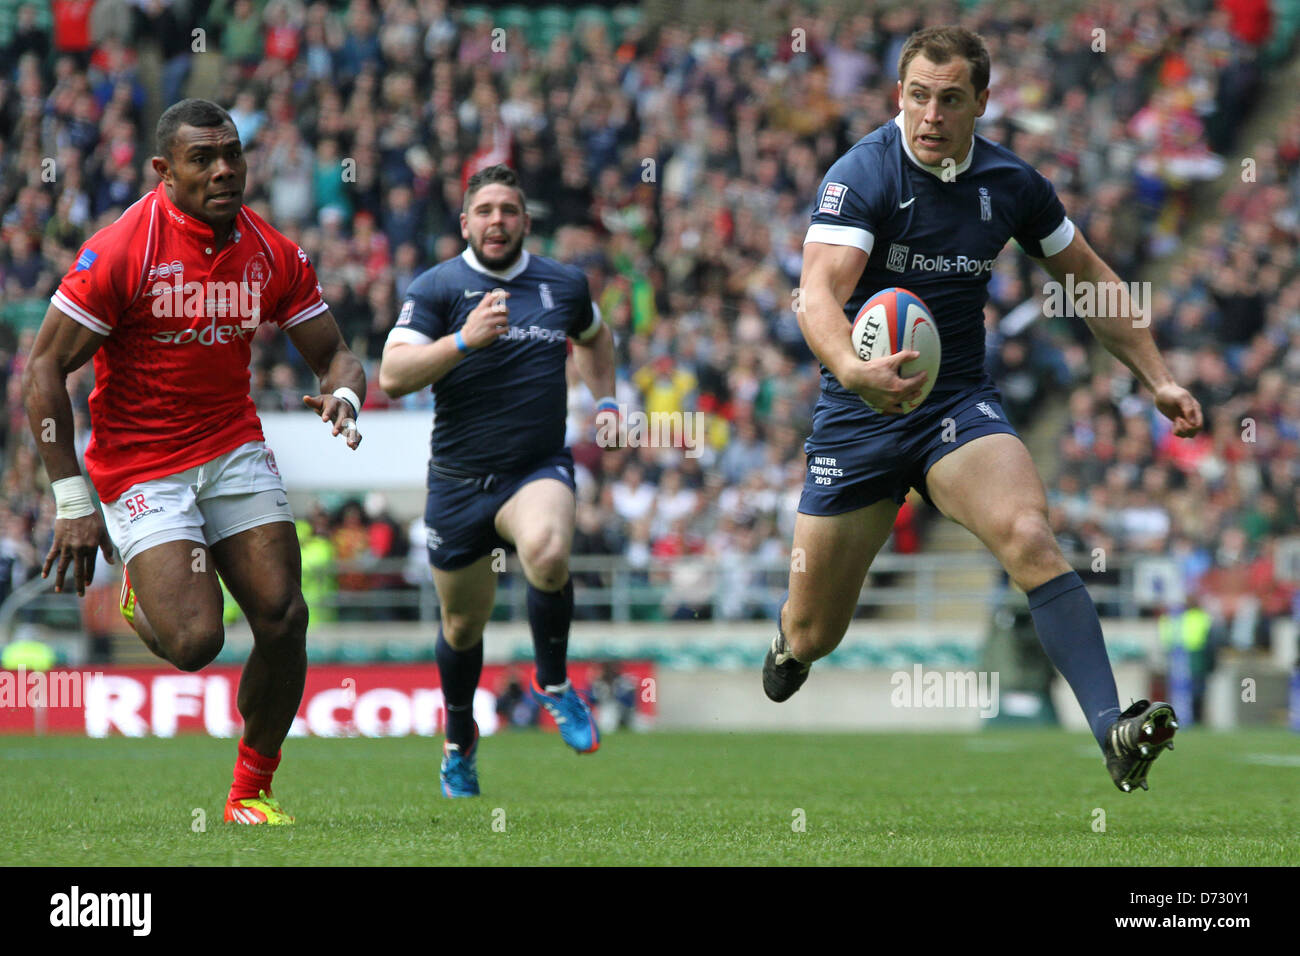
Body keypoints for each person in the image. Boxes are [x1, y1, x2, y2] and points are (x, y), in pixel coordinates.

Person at [763, 27, 1203, 793]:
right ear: (899, 94)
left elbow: (1090, 279)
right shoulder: (863, 172)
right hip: (859, 414)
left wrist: (1157, 376)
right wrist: (854, 370)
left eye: (950, 99)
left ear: (981, 103)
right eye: (917, 95)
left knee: (1030, 535)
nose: (930, 114)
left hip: (955, 407)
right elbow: (819, 294)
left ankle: (1114, 730)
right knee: (815, 630)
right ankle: (791, 647)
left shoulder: (1012, 184)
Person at [22, 99, 366, 824]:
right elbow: (45, 368)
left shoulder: (271, 250)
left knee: (283, 617)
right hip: (141, 462)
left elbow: (336, 353)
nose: (223, 171)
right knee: (194, 643)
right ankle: (136, 590)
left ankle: (251, 792)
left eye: (232, 155)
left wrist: (344, 395)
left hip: (231, 447)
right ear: (163, 170)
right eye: (203, 158)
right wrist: (72, 499)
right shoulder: (125, 248)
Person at [378, 164, 617, 797]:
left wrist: (610, 401)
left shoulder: (562, 284)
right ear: (465, 222)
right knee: (462, 627)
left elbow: (596, 336)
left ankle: (555, 683)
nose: (497, 221)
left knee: (547, 550)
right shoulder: (437, 287)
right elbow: (394, 375)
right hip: (457, 482)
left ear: (525, 221)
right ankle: (460, 744)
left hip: (535, 468)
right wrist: (463, 340)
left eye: (508, 210)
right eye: (484, 210)